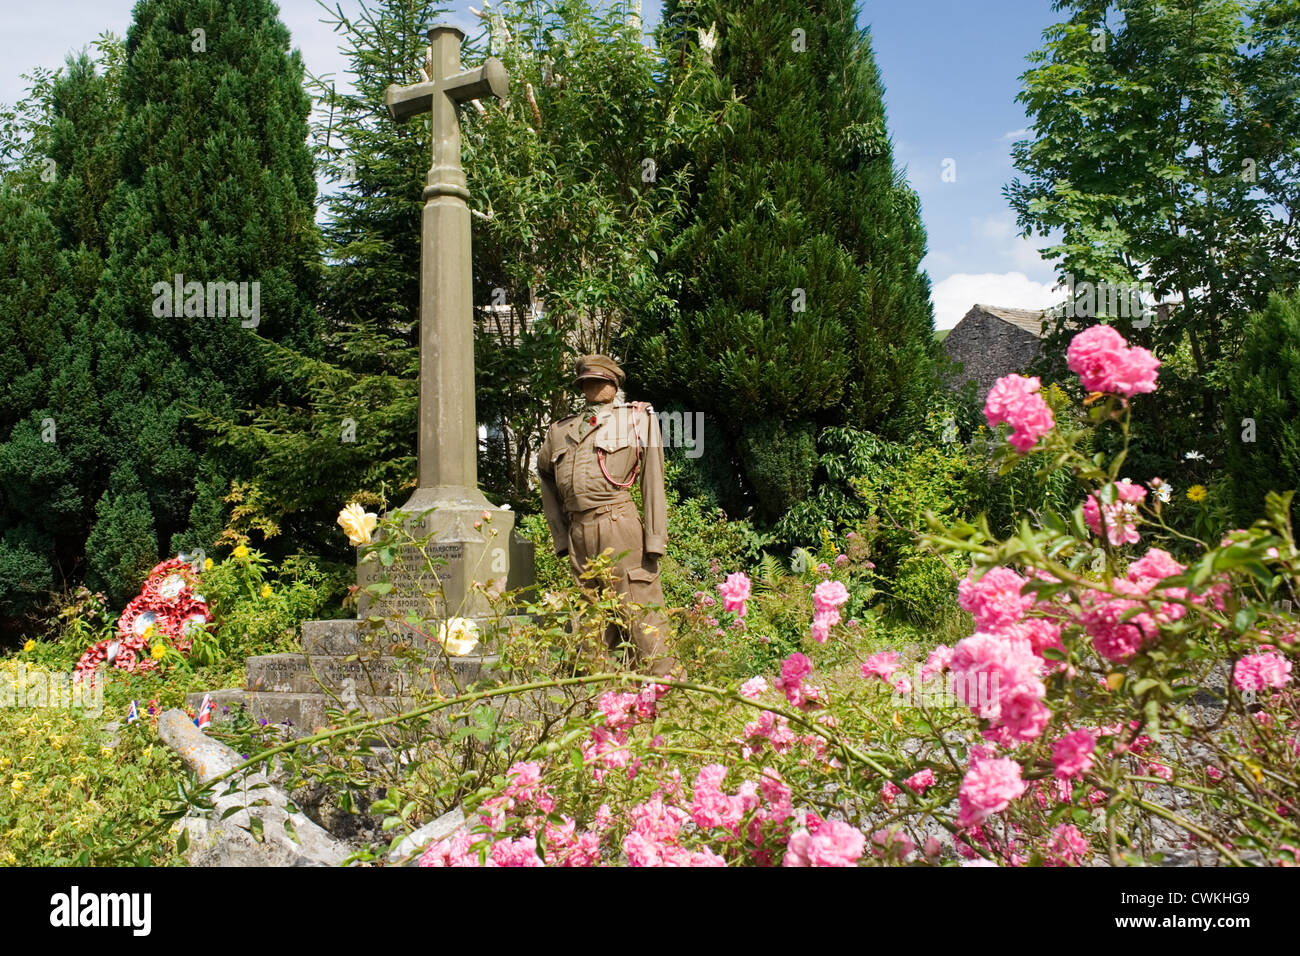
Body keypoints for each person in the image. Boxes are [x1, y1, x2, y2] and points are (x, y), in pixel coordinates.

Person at [536, 354, 675, 675]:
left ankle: (668, 697)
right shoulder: (561, 431)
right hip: (578, 533)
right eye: (587, 382)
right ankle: (601, 705)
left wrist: (654, 538)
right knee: (592, 622)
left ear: (614, 384)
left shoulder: (637, 419)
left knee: (641, 614)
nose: (593, 387)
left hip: (618, 524)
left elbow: (653, 478)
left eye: (600, 381)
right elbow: (544, 473)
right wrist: (560, 536)